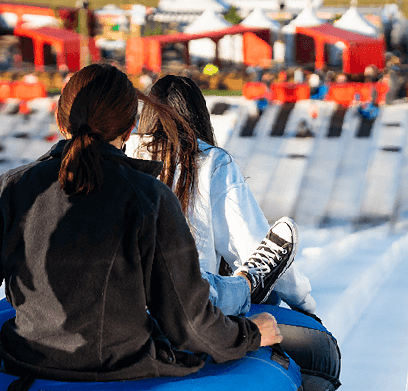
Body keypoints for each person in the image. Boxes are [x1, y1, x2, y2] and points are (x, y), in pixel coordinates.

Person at [0, 63, 282, 382]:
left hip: (27, 364)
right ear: (129, 129)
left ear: (60, 122)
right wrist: (251, 334)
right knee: (216, 292)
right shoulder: (150, 198)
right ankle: (249, 283)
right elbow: (189, 325)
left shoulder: (9, 189)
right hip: (123, 371)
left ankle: (245, 285)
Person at [135, 75, 317, 318]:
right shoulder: (210, 162)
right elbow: (255, 248)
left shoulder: (124, 154)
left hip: (129, 309)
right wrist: (303, 301)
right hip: (191, 312)